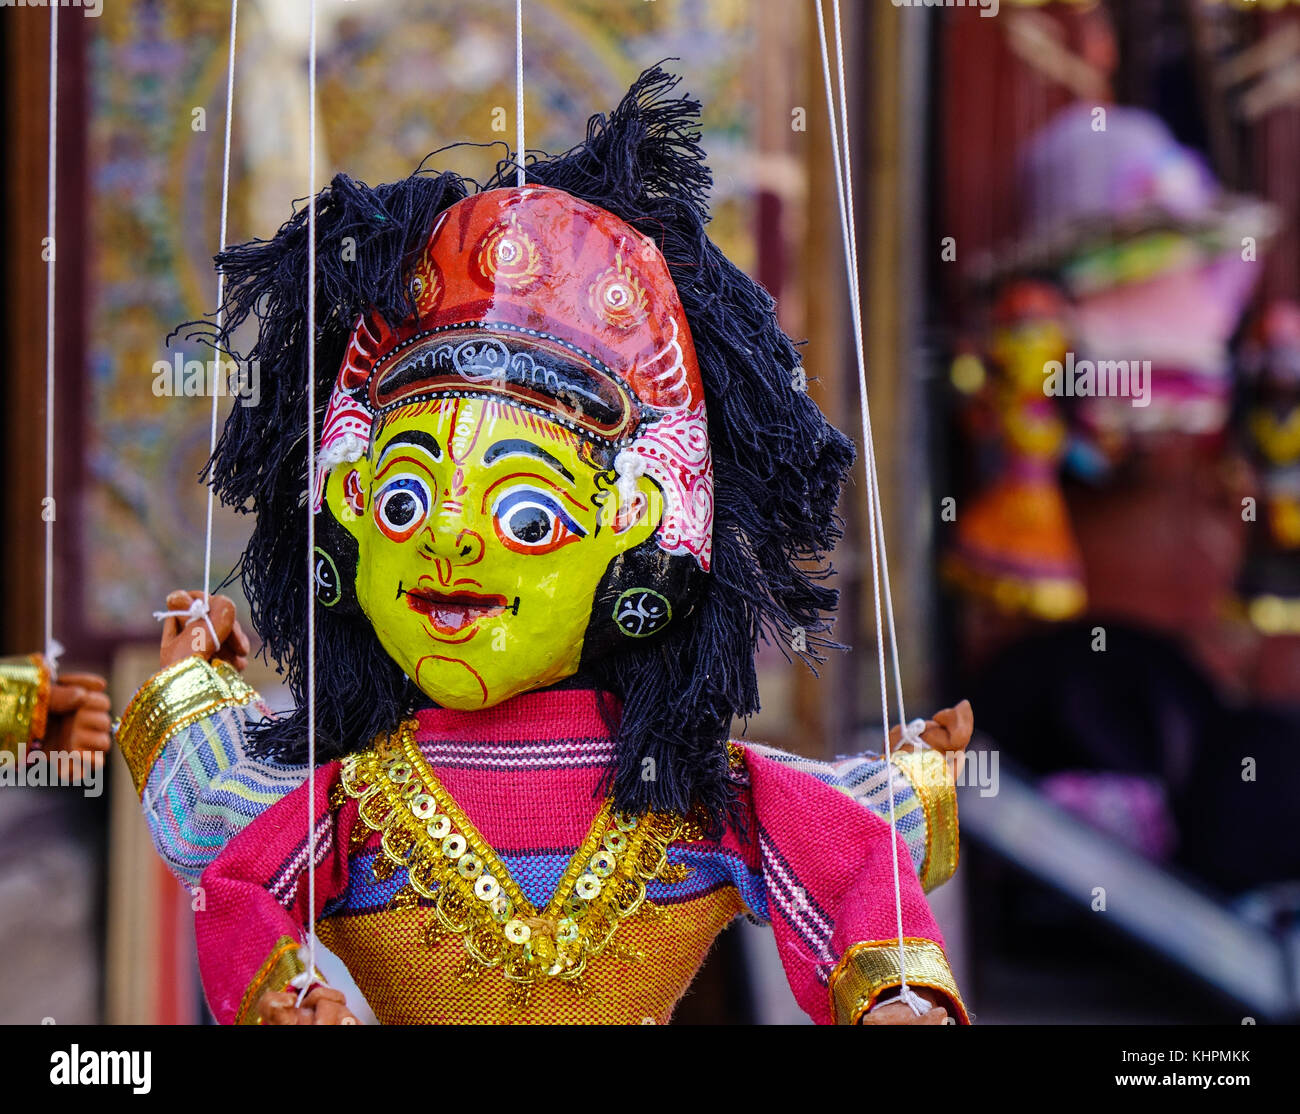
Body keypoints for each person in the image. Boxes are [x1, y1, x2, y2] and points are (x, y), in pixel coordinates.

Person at [117, 69, 973, 1025]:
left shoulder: (690, 789)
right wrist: (286, 990)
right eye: (403, 501)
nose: (446, 539)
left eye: (528, 518)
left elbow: (850, 850)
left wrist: (896, 988)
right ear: (345, 514)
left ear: (646, 534)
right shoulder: (355, 798)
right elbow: (234, 882)